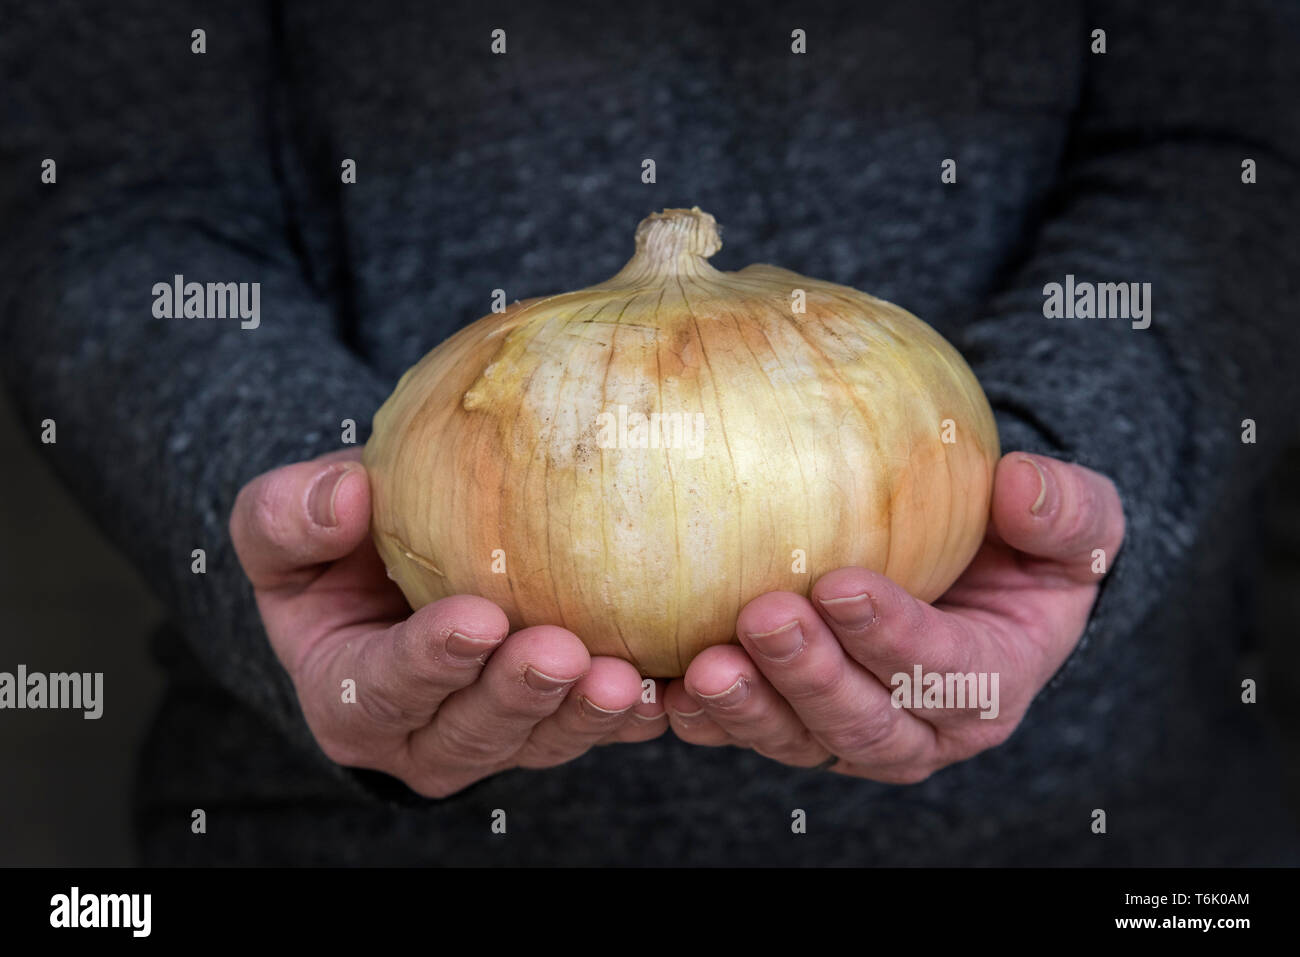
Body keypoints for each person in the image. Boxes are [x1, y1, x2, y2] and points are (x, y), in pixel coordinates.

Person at [2, 0, 1296, 865]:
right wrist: (310, 509)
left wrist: (1041, 467)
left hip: (1102, 833)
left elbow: (1242, 146)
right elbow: (104, 196)